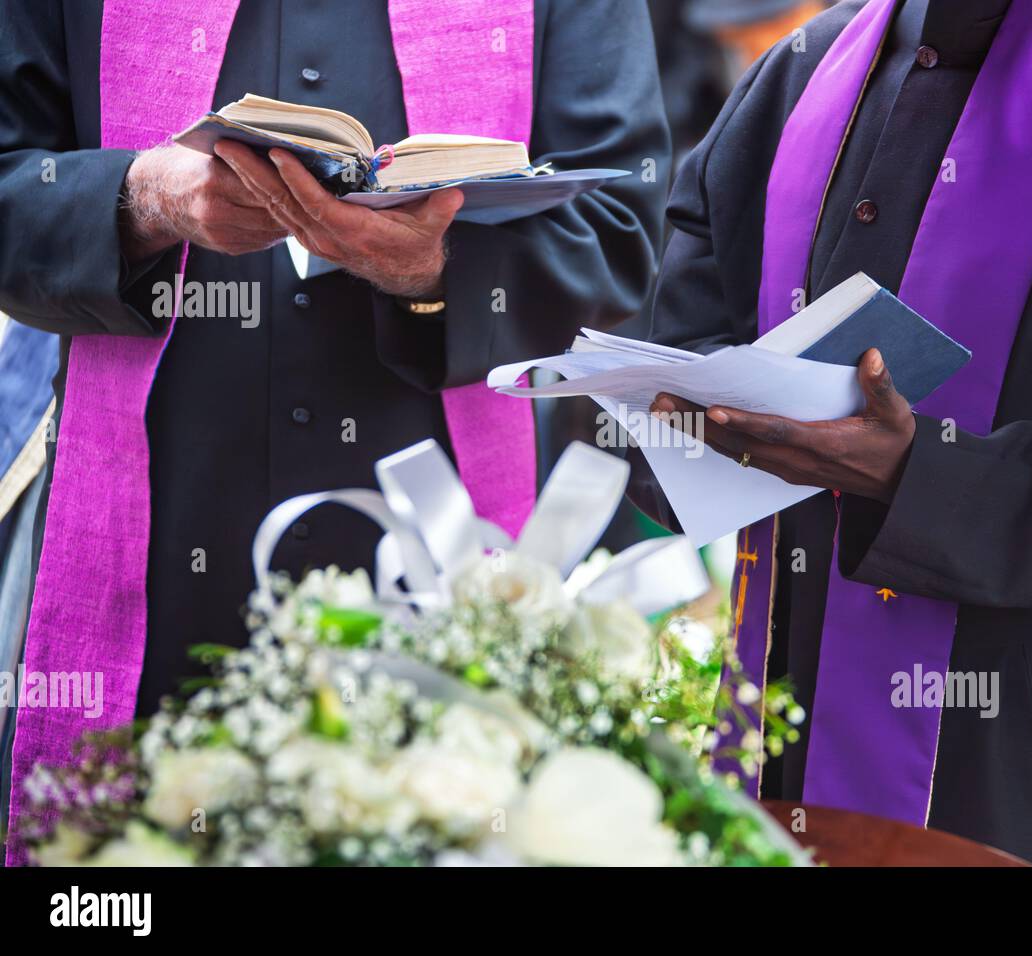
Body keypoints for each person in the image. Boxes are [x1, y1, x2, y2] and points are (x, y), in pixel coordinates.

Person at [0, 0, 668, 853]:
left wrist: (434, 270)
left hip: (444, 553)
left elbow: (619, 228)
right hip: (157, 542)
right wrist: (141, 202)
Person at [631, 0, 1032, 865]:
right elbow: (669, 355)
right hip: (770, 735)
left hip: (1025, 773)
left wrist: (914, 476)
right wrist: (700, 420)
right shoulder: (798, 70)